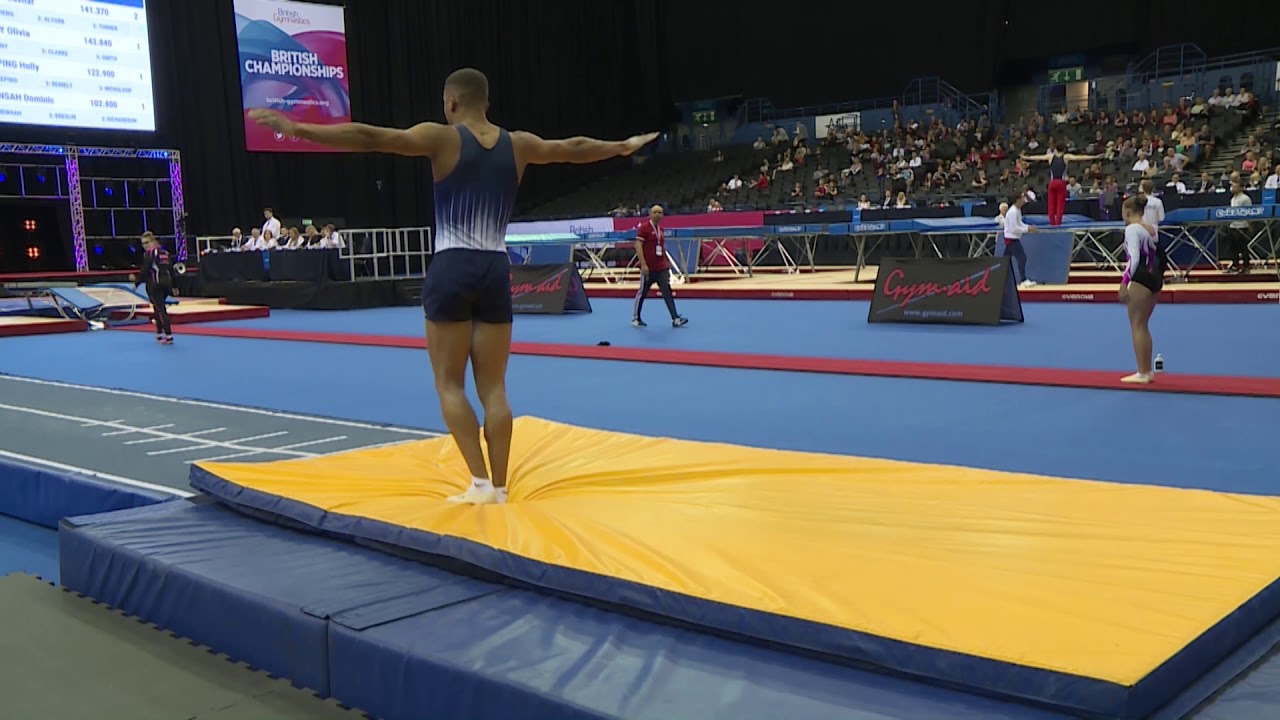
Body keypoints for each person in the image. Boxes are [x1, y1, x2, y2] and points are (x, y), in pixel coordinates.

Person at [250, 68, 657, 505]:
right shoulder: (518, 145)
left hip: (451, 266)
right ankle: (499, 487)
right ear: (488, 102)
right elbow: (572, 149)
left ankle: (479, 482)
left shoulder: (442, 139)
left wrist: (298, 128)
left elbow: (370, 137)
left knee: (449, 384)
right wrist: (621, 146)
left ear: (451, 104)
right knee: (495, 389)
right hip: (496, 269)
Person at [1117, 194, 1164, 384]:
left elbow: (1134, 259)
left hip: (1140, 279)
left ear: (1127, 212)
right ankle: (1147, 371)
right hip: (1154, 278)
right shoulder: (1152, 230)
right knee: (1143, 325)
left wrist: (1123, 282)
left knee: (1137, 325)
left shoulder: (1132, 229)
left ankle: (1142, 373)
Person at [632, 205, 688, 328]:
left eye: (660, 212)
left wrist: (666, 264)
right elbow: (638, 246)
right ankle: (636, 318)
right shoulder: (644, 228)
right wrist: (643, 264)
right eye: (655, 212)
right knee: (643, 292)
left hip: (661, 268)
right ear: (650, 215)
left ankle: (675, 318)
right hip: (648, 268)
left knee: (667, 291)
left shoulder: (661, 230)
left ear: (663, 215)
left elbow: (661, 249)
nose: (657, 214)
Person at [1021, 145, 1101, 225]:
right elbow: (1079, 157)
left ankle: (1052, 222)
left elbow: (1038, 157)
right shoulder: (1066, 157)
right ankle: (1058, 222)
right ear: (1064, 149)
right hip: (1061, 183)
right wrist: (1094, 156)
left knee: (1051, 203)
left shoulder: (1050, 156)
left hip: (1052, 183)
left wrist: (1025, 157)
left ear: (1056, 149)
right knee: (1060, 203)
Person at [130, 232, 175, 345]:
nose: (144, 246)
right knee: (157, 308)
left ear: (152, 241)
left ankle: (168, 335)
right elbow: (172, 270)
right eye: (143, 244)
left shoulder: (151, 253)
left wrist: (136, 283)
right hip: (166, 284)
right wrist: (174, 285)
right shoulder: (165, 253)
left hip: (156, 284)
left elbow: (145, 270)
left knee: (160, 309)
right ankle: (159, 333)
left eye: (146, 243)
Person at [1002, 193, 1037, 288]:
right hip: (1011, 239)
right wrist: (1027, 229)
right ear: (1017, 200)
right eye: (1022, 198)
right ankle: (1023, 280)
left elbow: (1020, 223)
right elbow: (1014, 228)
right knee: (1022, 257)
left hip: (1013, 238)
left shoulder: (1018, 210)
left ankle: (1001, 278)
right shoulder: (1013, 211)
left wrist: (1028, 227)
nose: (1024, 199)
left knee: (1005, 260)